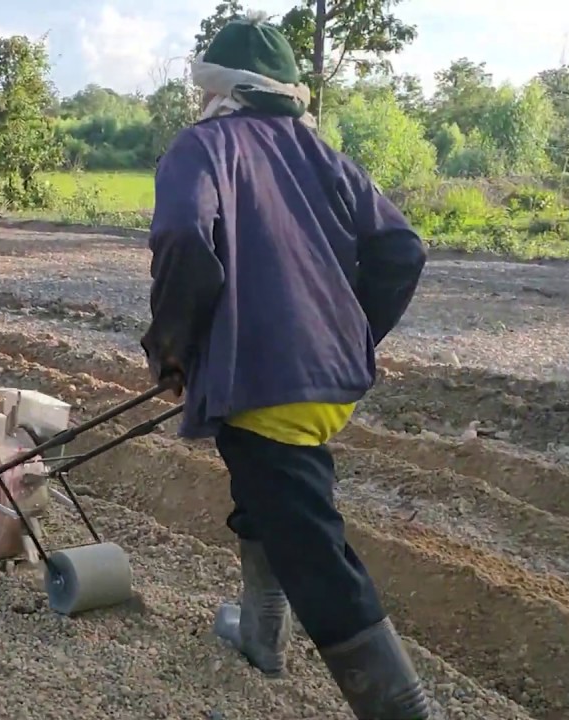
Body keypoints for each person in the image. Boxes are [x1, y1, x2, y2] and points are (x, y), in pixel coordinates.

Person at [139, 13, 431, 720]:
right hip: (325, 380)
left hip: (264, 383)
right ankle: (261, 635)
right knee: (266, 492)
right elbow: (403, 250)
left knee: (313, 551)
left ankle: (405, 709)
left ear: (214, 88)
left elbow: (182, 232)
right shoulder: (321, 152)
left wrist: (172, 349)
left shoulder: (202, 146)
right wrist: (351, 331)